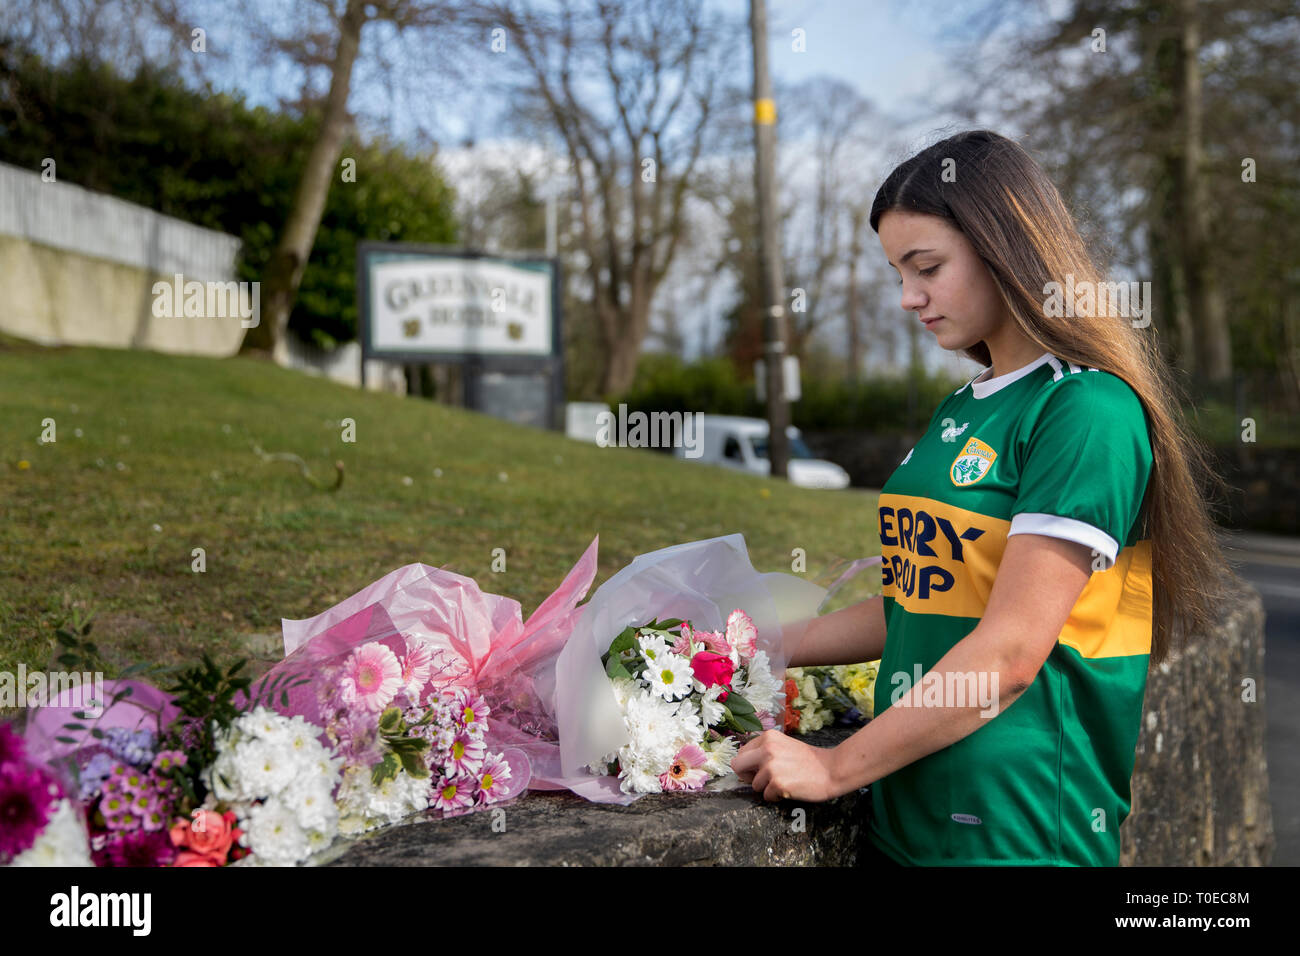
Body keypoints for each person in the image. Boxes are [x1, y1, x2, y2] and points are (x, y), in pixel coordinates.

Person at [731, 129, 1230, 866]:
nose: (908, 297)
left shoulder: (1085, 410)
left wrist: (835, 766)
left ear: (1008, 247)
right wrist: (756, 647)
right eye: (898, 271)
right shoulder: (960, 409)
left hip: (1017, 833)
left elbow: (1011, 652)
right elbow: (923, 602)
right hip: (908, 813)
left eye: (926, 267)